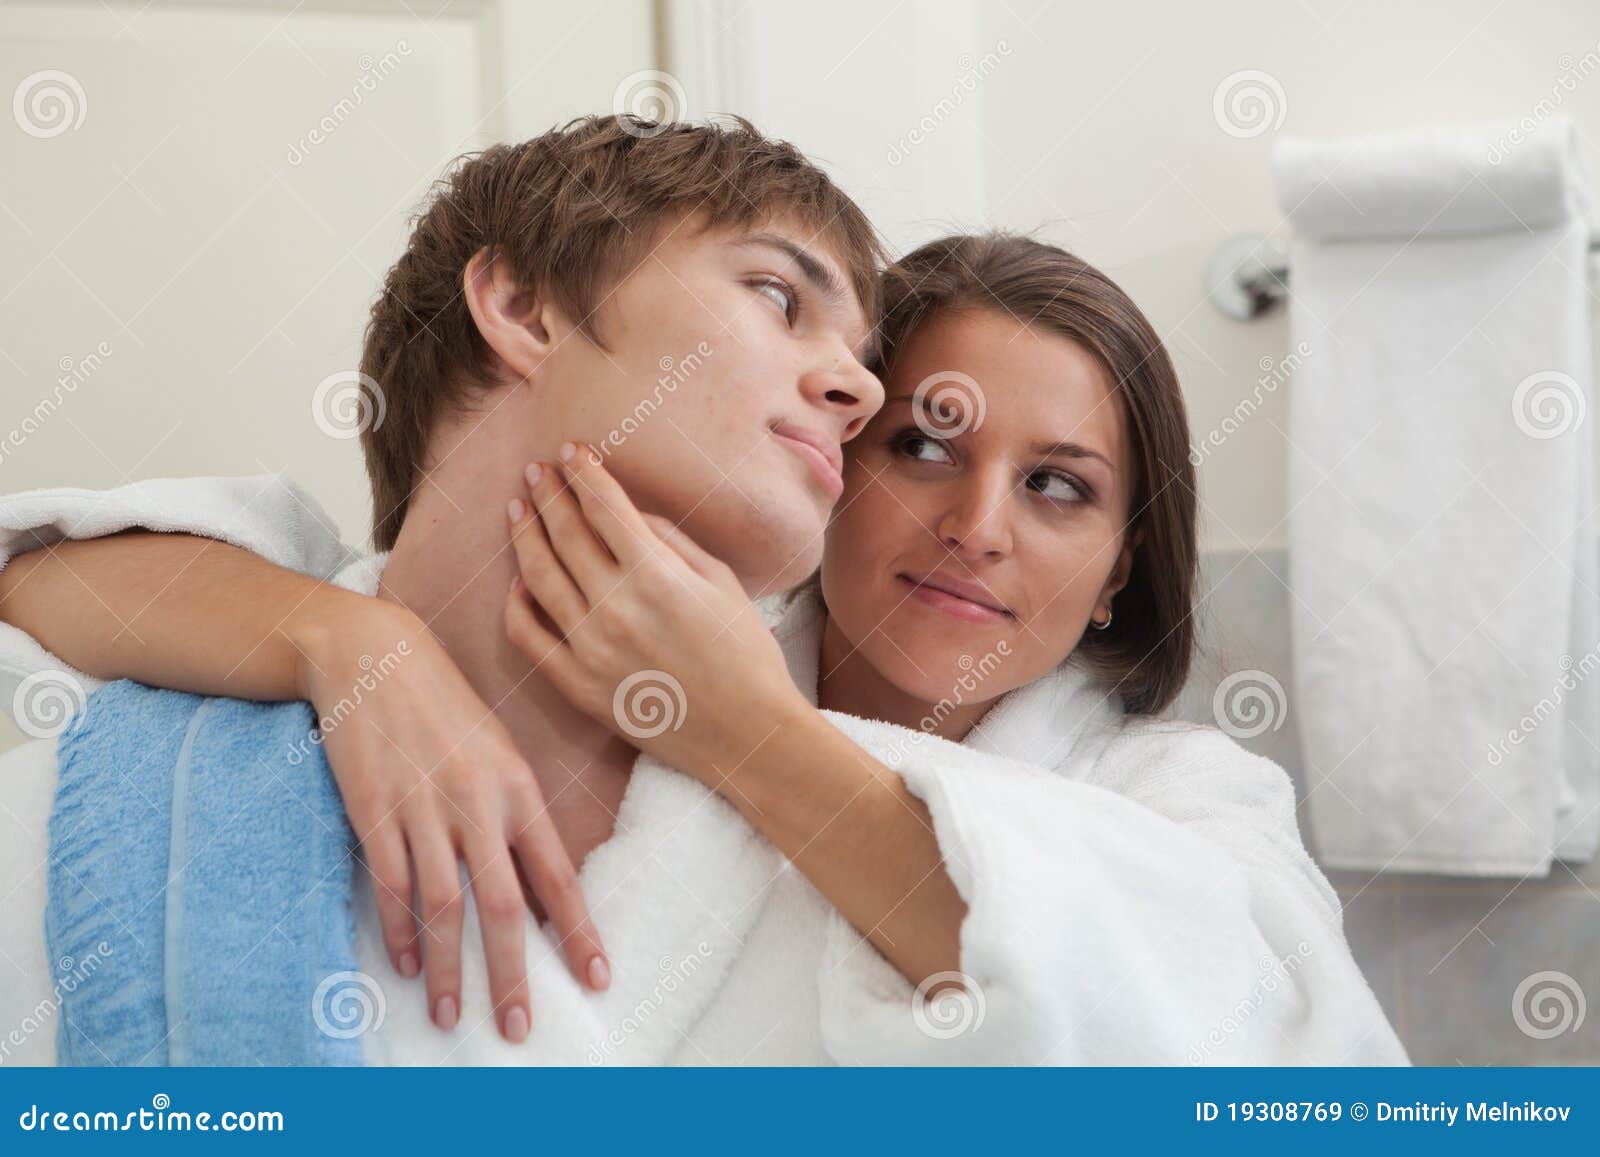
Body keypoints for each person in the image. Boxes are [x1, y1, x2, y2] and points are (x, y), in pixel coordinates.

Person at [0, 130, 1407, 1062]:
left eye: (1060, 487)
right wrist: (346, 642)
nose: (977, 528)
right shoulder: (216, 724)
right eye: (919, 443)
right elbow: (61, 573)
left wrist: (743, 728)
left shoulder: (1171, 808)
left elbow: (1277, 1068)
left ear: (1120, 571)